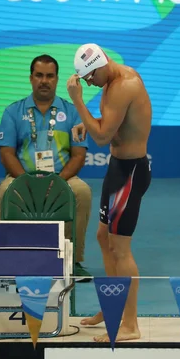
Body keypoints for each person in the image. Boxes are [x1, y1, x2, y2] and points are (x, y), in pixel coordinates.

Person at [67, 43, 152, 341]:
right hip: (118, 170)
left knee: (121, 247)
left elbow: (103, 137)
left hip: (129, 174)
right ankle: (113, 304)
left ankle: (130, 325)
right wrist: (87, 123)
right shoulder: (112, 81)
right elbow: (113, 125)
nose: (88, 83)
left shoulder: (123, 85)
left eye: (89, 77)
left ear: (100, 65)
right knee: (104, 238)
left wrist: (78, 102)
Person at [0, 54, 92, 278]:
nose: (44, 81)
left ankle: (73, 260)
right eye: (39, 75)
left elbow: (78, 155)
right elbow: (7, 153)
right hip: (21, 178)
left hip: (61, 178)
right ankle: (11, 257)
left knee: (82, 192)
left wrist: (57, 182)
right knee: (4, 191)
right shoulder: (13, 112)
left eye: (50, 76)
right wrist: (26, 183)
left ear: (57, 79)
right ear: (31, 78)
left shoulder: (72, 112)